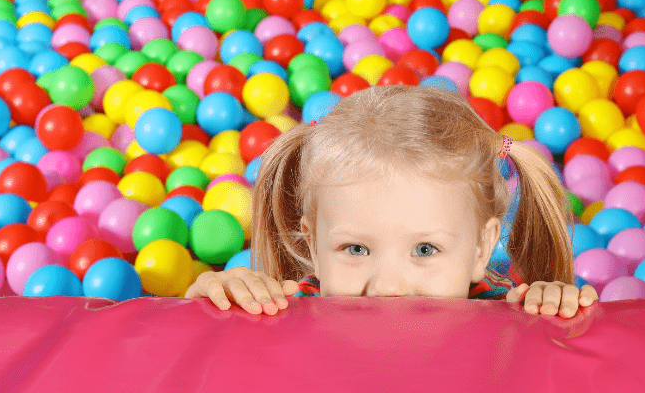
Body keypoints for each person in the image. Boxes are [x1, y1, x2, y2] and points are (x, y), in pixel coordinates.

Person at [186, 84, 598, 318]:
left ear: (481, 248)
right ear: (312, 245)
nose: (388, 288)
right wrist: (221, 297)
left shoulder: (507, 310)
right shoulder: (290, 307)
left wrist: (553, 303)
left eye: (425, 249)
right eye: (356, 249)